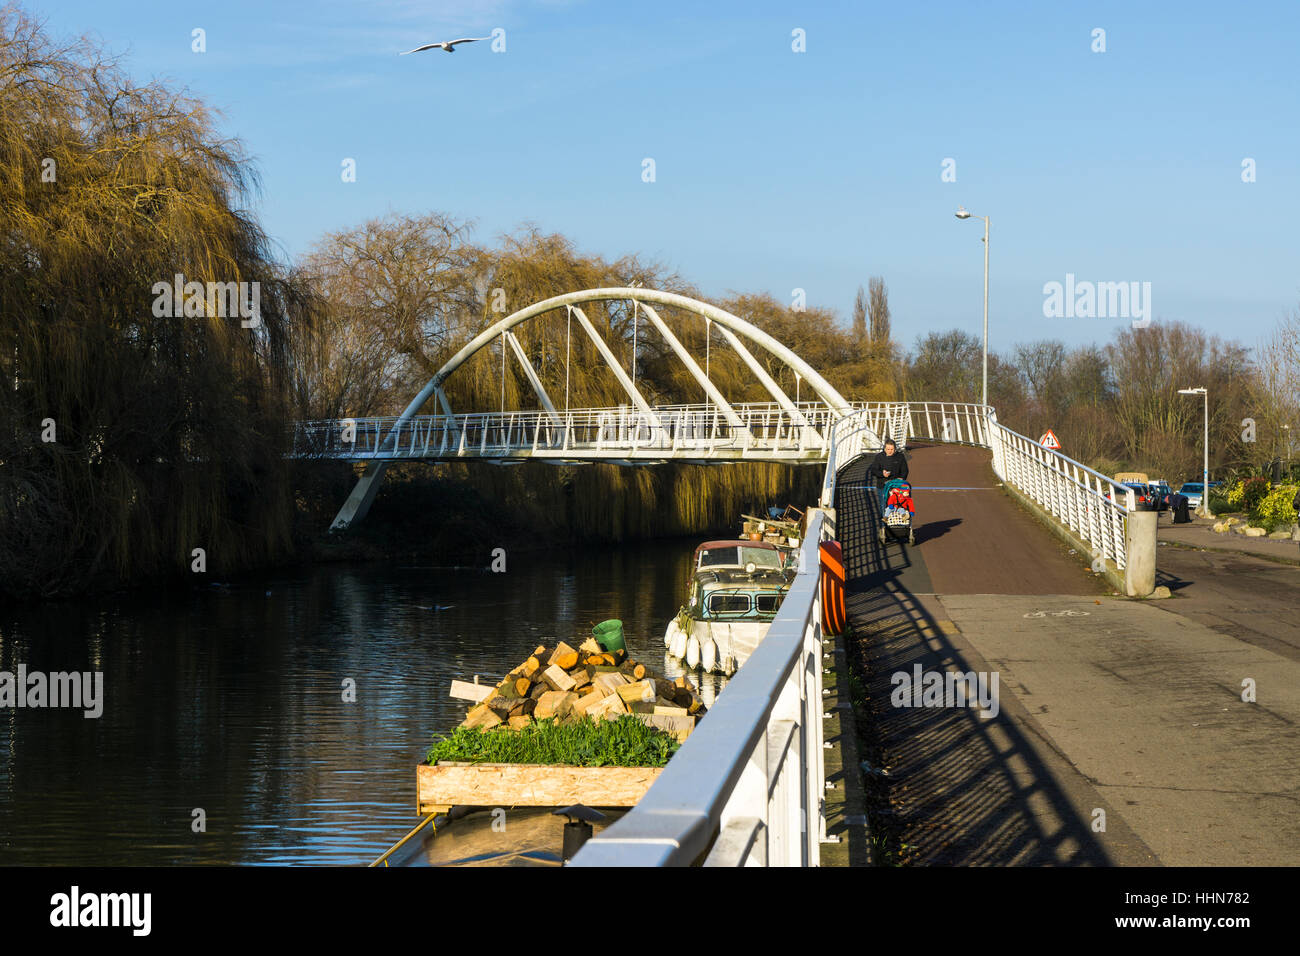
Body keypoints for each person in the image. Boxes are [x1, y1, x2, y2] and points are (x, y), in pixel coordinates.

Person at [866, 438, 909, 518]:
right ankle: (885, 525)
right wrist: (882, 473)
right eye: (888, 449)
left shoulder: (900, 456)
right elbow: (873, 470)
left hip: (897, 485)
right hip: (882, 485)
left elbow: (905, 470)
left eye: (892, 449)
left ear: (895, 449)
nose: (890, 451)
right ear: (884, 449)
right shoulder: (879, 457)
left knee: (899, 503)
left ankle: (900, 521)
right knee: (884, 505)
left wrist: (901, 478)